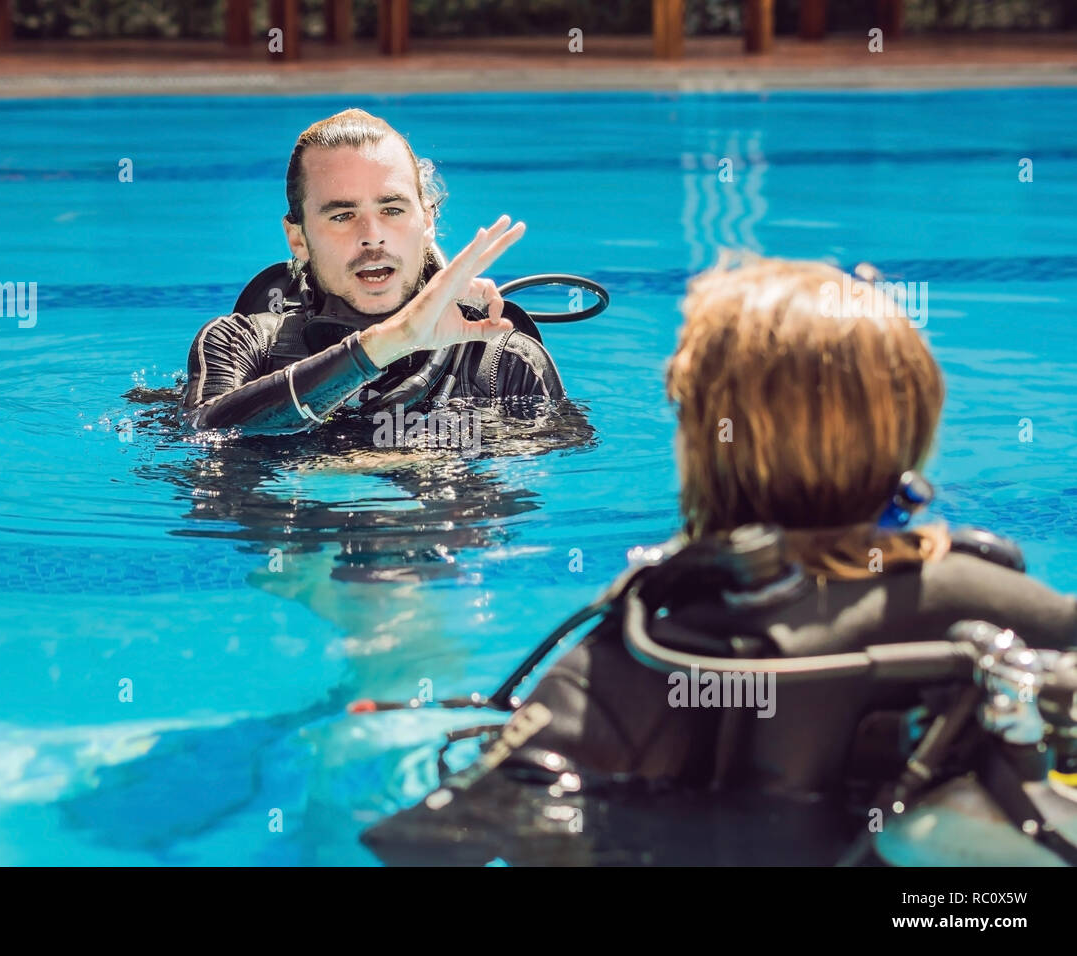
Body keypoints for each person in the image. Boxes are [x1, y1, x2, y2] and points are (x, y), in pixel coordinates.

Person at [361, 255, 1077, 865]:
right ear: (913, 425)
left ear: (707, 445)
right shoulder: (1006, 611)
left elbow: (418, 843)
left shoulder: (651, 656)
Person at [181, 108, 565, 435]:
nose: (372, 237)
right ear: (297, 238)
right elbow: (207, 437)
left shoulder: (505, 365)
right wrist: (392, 341)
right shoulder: (240, 346)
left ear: (427, 222)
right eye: (343, 215)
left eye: (392, 210)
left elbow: (514, 503)